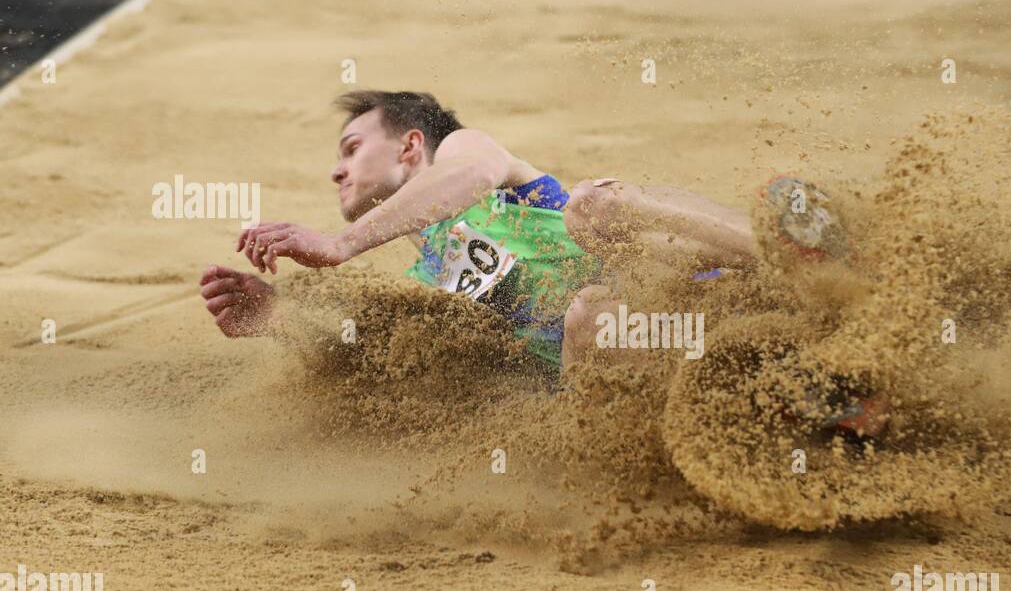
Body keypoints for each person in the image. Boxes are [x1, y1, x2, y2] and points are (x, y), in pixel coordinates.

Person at [198, 89, 886, 434]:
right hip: (643, 381)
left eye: (351, 147)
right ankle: (808, 399)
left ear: (411, 146)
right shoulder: (427, 279)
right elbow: (387, 379)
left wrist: (341, 244)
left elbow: (465, 178)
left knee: (592, 206)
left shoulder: (471, 156)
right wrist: (281, 320)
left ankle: (800, 259)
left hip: (701, 284)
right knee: (585, 320)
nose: (335, 170)